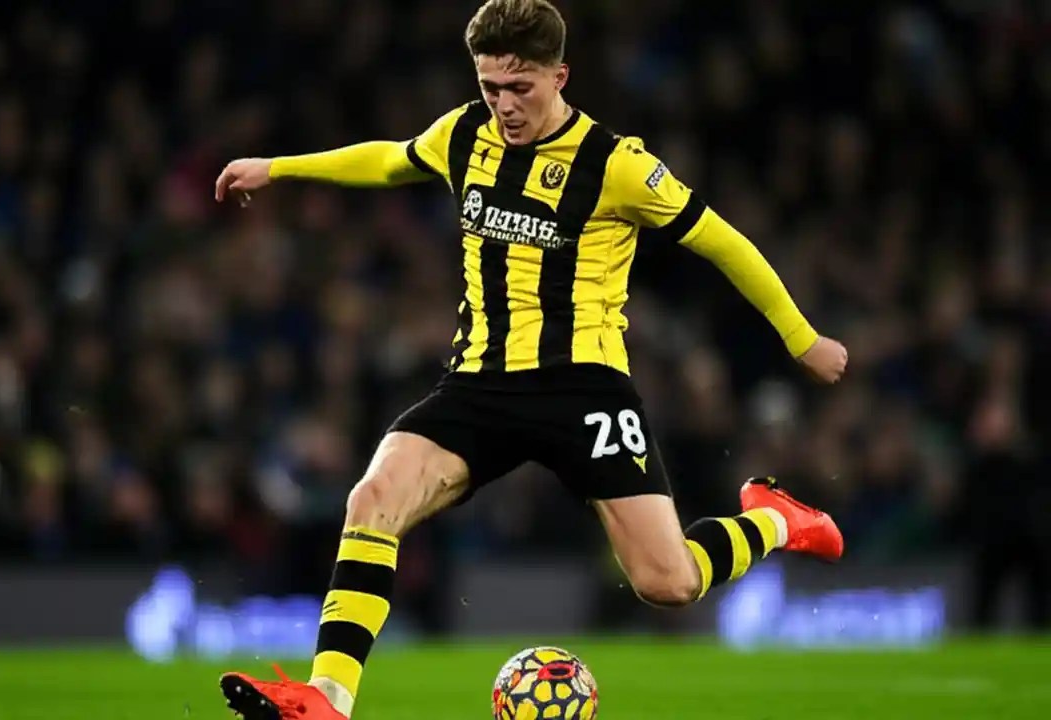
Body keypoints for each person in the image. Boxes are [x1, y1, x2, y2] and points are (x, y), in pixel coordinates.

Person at [213, 1, 848, 718]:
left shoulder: (617, 165)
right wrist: (278, 168)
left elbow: (722, 241)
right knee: (371, 500)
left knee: (667, 583)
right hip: (478, 384)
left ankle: (772, 518)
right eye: (490, 88)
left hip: (586, 391)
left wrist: (801, 337)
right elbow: (391, 159)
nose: (504, 107)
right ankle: (326, 700)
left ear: (560, 75)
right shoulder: (463, 135)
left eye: (520, 88)